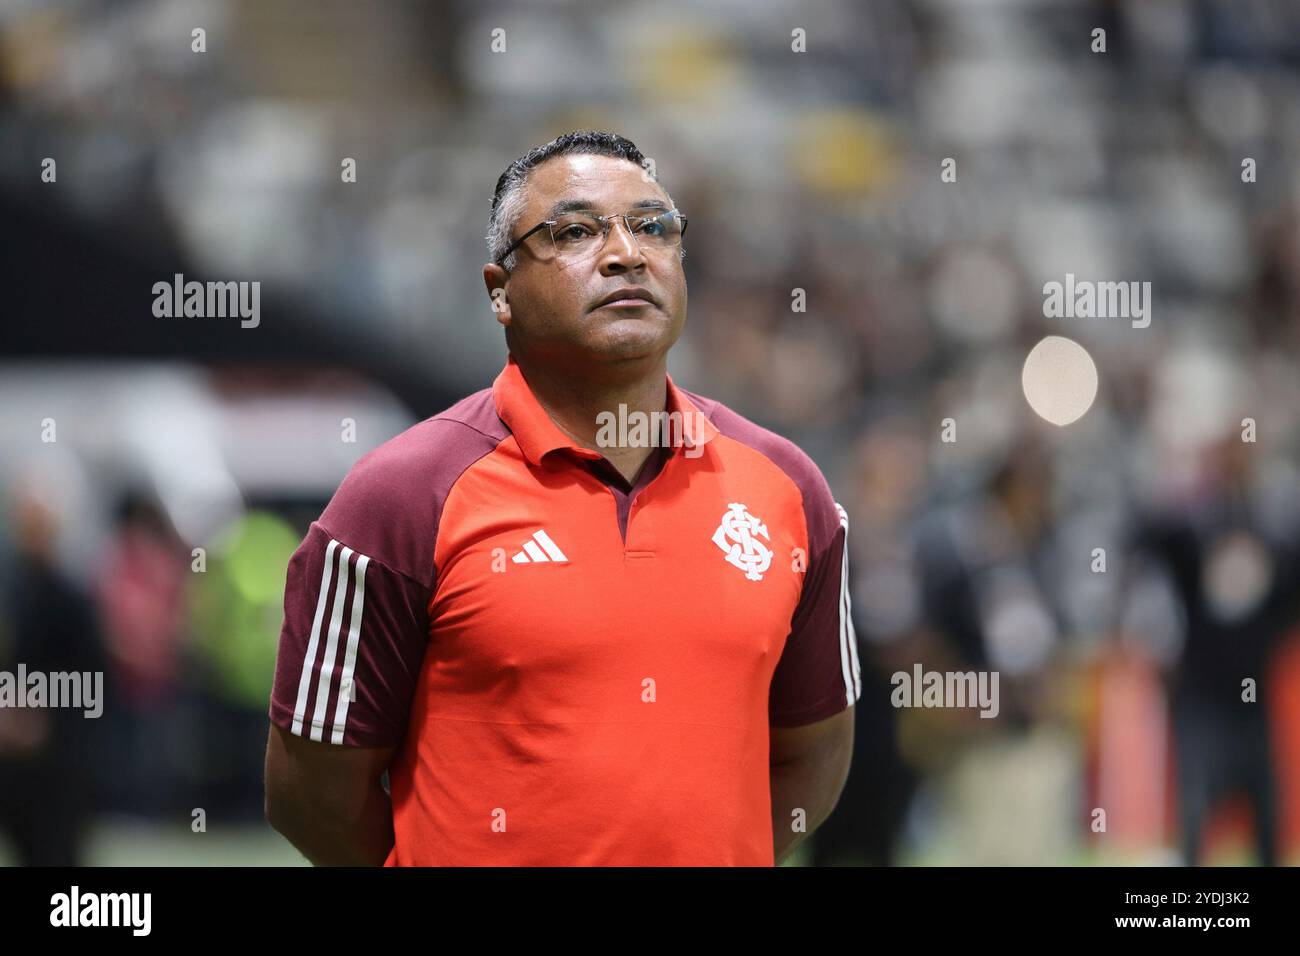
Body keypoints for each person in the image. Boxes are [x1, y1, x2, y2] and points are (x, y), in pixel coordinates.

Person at [264, 130, 860, 866]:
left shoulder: (789, 489)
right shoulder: (402, 497)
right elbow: (309, 791)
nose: (625, 253)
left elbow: (814, 755)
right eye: (575, 231)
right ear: (499, 292)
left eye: (653, 227)